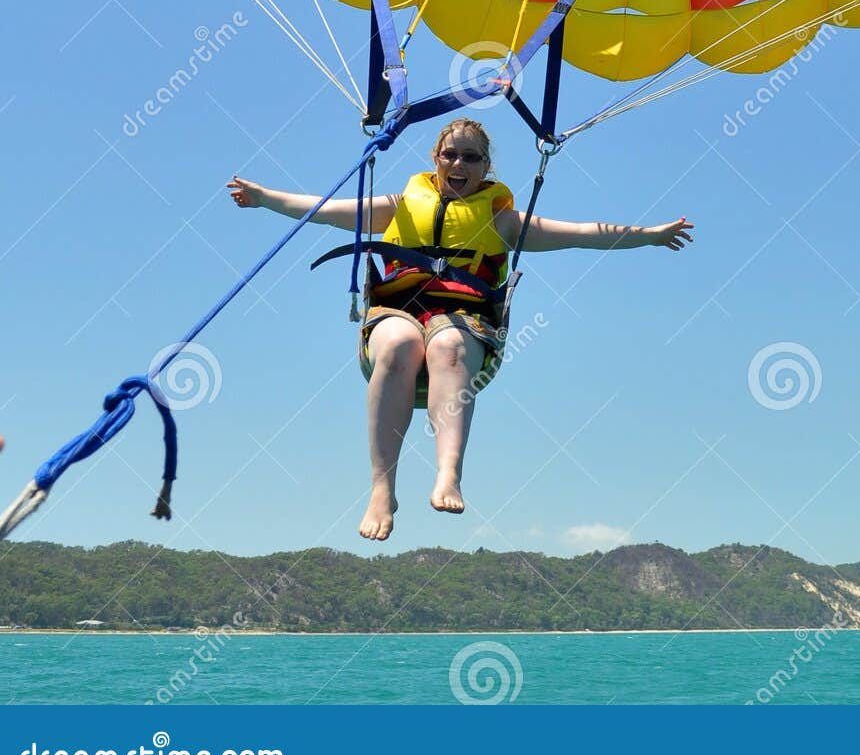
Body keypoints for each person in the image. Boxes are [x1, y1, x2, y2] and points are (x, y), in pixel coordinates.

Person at [227, 118, 692, 538]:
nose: (459, 163)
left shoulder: (501, 219)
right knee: (398, 344)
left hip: (466, 322)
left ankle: (448, 472)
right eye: (450, 154)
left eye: (471, 157)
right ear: (435, 160)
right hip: (397, 312)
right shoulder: (399, 205)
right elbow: (322, 209)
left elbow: (583, 233)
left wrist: (646, 236)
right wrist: (264, 198)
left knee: (447, 344)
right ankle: (381, 489)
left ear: (486, 166)